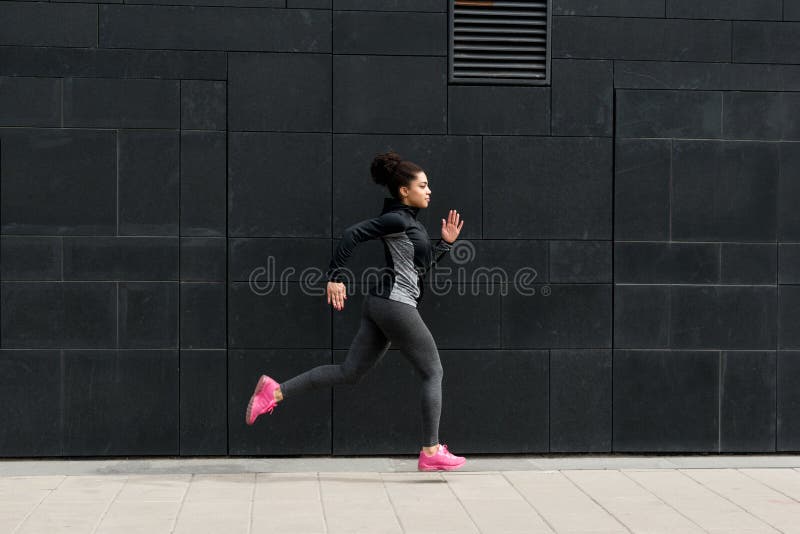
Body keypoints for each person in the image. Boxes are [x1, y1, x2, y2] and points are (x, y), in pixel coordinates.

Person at [245, 150, 466, 472]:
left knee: (350, 372)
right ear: (404, 191)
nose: (429, 190)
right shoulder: (397, 219)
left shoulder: (408, 223)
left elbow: (418, 269)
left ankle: (274, 392)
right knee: (433, 372)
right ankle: (431, 449)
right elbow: (352, 234)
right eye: (423, 185)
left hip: (383, 303)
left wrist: (444, 244)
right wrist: (334, 277)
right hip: (395, 303)